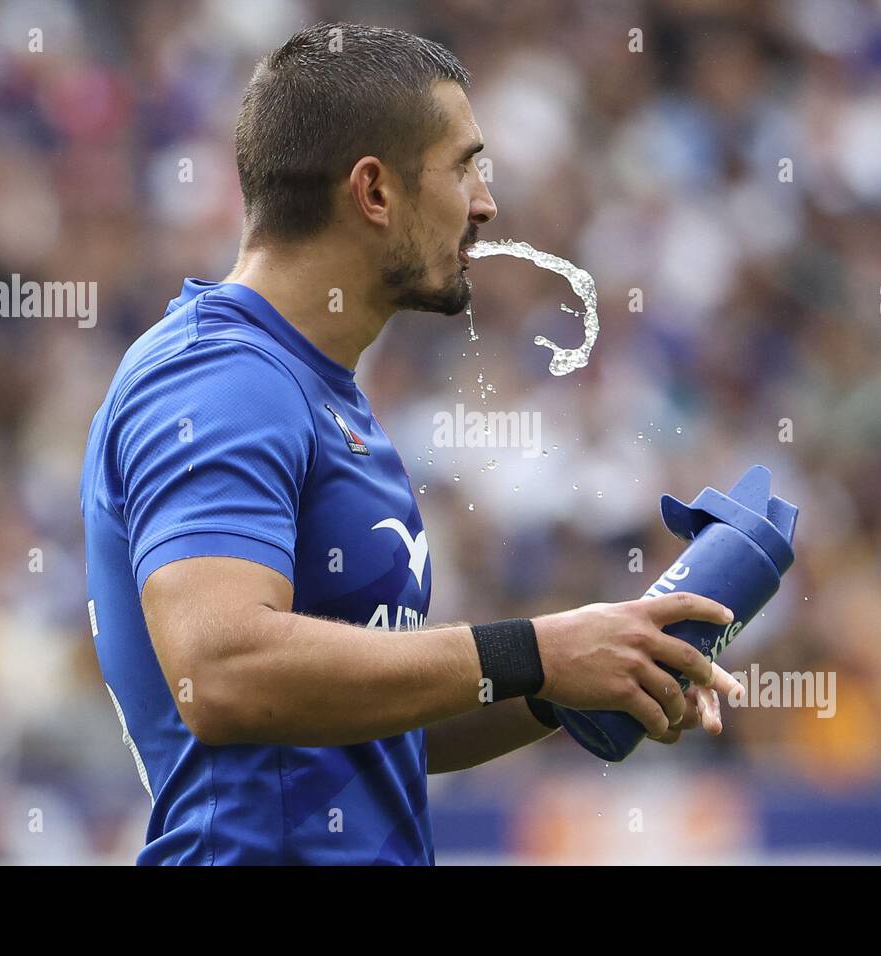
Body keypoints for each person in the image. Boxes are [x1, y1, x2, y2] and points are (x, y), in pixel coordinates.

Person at [80, 21, 740, 865]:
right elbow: (221, 671)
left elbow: (375, 731)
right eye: (465, 165)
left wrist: (570, 673)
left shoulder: (325, 396)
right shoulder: (220, 378)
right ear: (375, 191)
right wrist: (532, 649)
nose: (486, 203)